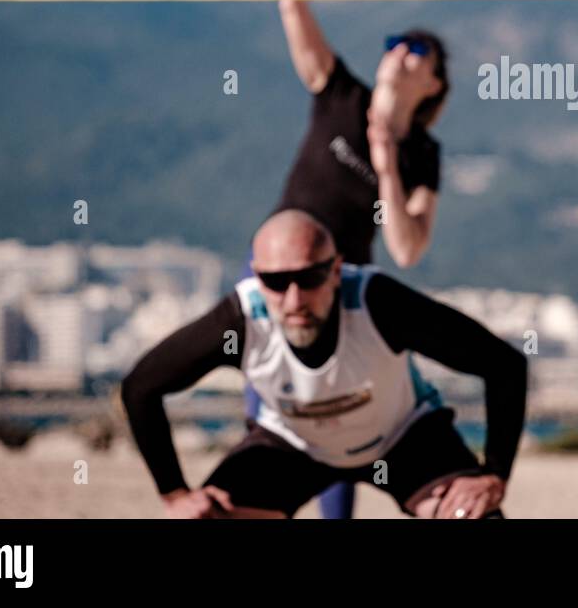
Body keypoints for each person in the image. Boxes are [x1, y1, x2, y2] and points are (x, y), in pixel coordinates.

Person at [241, 0, 450, 518]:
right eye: (394, 43)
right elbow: (291, 4)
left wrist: (388, 165)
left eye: (417, 48)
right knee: (272, 421)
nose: (399, 53)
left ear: (435, 84)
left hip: (346, 286)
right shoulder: (341, 94)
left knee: (343, 430)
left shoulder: (422, 155)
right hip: (277, 273)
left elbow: (408, 248)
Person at [124, 210, 526, 519]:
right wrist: (175, 493)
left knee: (473, 514)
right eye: (278, 283)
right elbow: (141, 387)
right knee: (205, 517)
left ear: (336, 270)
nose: (295, 299)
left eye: (310, 277)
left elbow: (503, 364)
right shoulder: (241, 321)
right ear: (258, 278)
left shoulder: (378, 304)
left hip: (402, 439)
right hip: (292, 448)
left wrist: (495, 474)